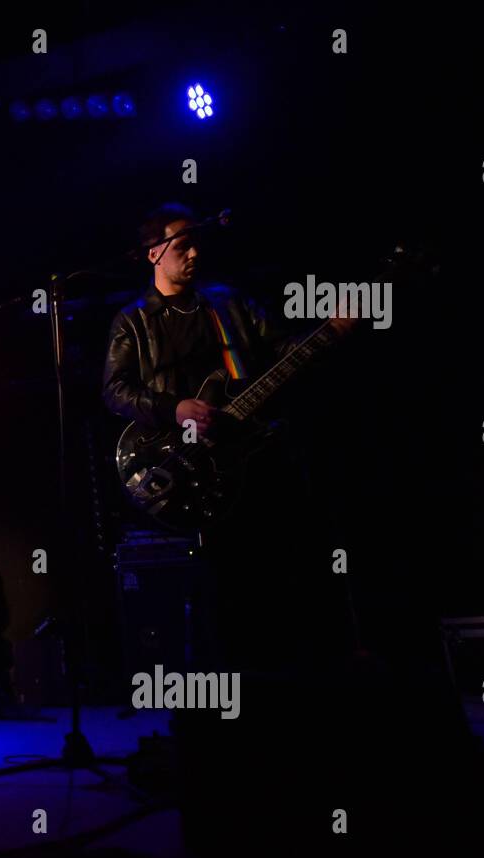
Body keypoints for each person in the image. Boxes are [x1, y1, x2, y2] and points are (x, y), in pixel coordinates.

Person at [103, 204, 356, 669]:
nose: (194, 253)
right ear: (154, 252)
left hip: (254, 455)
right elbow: (116, 391)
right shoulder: (134, 321)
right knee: (223, 587)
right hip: (186, 465)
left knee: (287, 568)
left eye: (197, 244)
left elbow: (284, 352)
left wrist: (331, 331)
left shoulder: (229, 303)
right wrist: (172, 407)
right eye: (182, 246)